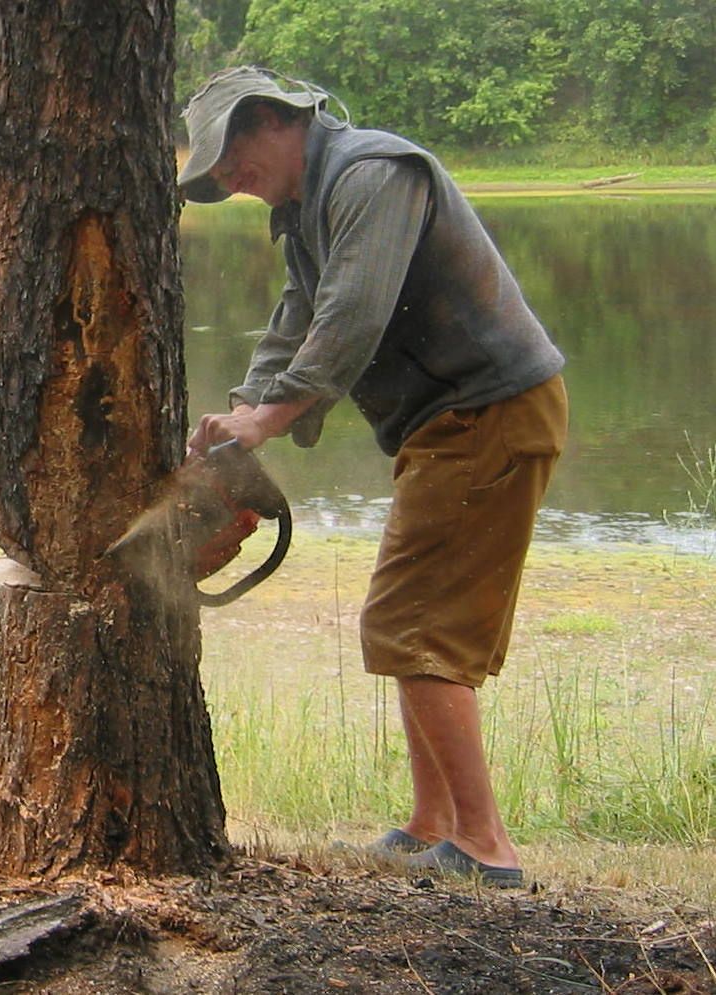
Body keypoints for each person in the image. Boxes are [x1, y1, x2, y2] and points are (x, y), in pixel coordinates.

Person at [178, 66, 568, 888]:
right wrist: (244, 410)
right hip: (450, 423)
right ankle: (432, 825)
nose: (230, 178)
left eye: (231, 157)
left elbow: (352, 311)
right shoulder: (307, 208)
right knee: (409, 618)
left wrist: (269, 418)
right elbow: (299, 315)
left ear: (272, 119)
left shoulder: (372, 174)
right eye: (217, 171)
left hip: (486, 412)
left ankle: (485, 847)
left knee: (412, 620)